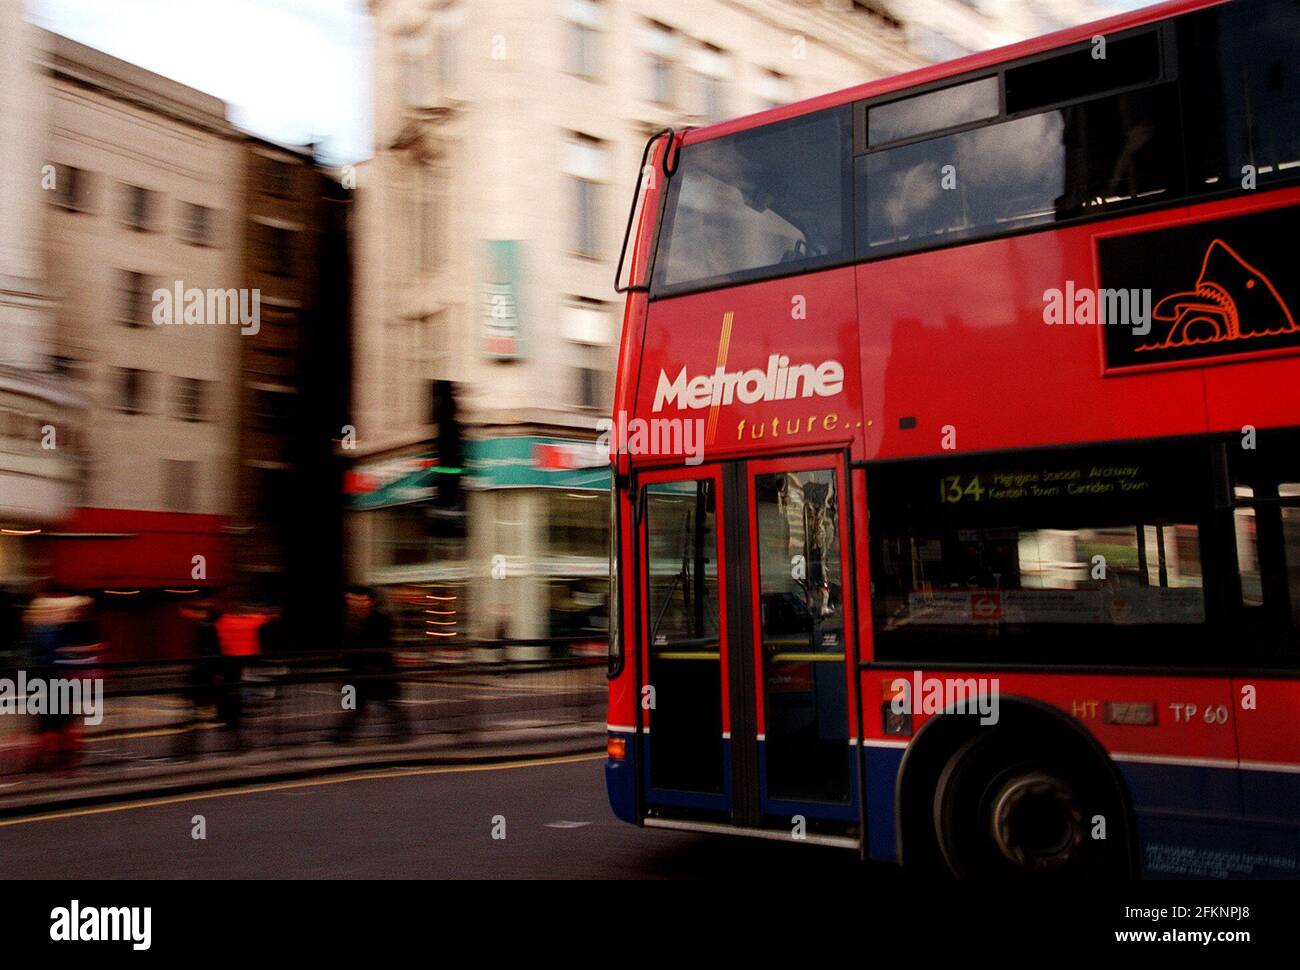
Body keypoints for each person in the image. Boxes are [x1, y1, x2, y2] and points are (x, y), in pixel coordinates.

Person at [335, 586, 408, 742]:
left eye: (356, 599)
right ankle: (343, 734)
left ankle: (403, 731)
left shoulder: (381, 619)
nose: (352, 603)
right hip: (356, 673)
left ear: (369, 601)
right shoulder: (349, 619)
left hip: (378, 671)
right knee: (352, 705)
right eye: (350, 599)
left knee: (386, 704)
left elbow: (386, 646)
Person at [173, 599, 220, 760]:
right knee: (197, 705)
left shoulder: (205, 627)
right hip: (201, 671)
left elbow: (209, 652)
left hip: (201, 671)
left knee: (197, 704)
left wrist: (210, 670)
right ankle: (194, 724)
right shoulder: (204, 626)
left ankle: (193, 727)